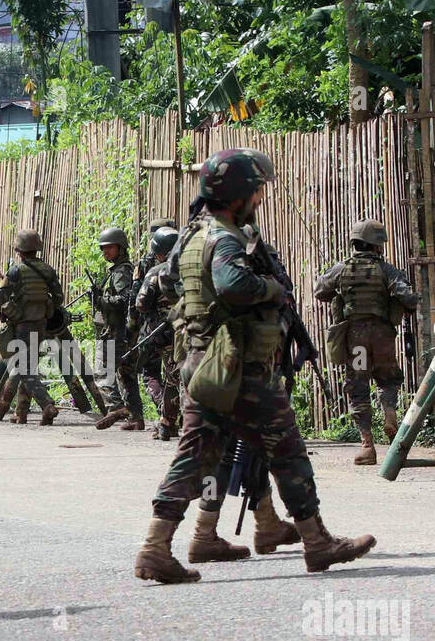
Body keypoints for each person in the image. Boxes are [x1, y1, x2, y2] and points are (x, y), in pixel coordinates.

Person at [134, 148, 376, 583]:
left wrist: (202, 316)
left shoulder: (191, 236)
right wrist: (271, 290)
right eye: (256, 191)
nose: (260, 198)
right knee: (287, 451)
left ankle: (155, 547)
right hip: (240, 367)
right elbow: (234, 285)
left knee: (195, 457)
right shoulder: (224, 238)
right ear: (238, 193)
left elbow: (170, 283)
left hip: (201, 363)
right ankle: (317, 542)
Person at [313, 219, 419, 465]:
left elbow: (320, 292)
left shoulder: (341, 268)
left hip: (356, 338)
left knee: (358, 387)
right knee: (388, 379)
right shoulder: (387, 270)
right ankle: (389, 413)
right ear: (377, 246)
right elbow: (409, 298)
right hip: (382, 337)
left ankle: (367, 447)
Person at [0, 230, 62, 426]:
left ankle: (48, 405)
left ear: (19, 250)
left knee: (25, 369)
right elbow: (59, 298)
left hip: (22, 327)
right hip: (41, 325)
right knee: (29, 366)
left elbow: (0, 298)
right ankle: (21, 413)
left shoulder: (16, 271)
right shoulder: (48, 270)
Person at [93, 227, 144, 431]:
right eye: (103, 248)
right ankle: (136, 417)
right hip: (123, 330)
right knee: (126, 373)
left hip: (116, 331)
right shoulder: (118, 270)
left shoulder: (122, 271)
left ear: (120, 248)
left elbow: (124, 300)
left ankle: (116, 407)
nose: (105, 252)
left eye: (109, 248)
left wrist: (101, 299)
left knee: (102, 372)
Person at [134, 226, 183, 440]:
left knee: (171, 376)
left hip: (164, 333)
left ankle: (167, 422)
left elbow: (141, 303)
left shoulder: (157, 271)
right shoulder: (194, 269)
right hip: (193, 330)